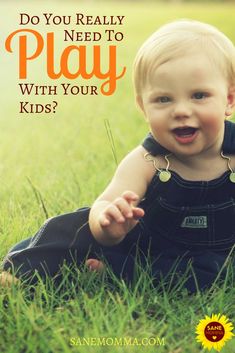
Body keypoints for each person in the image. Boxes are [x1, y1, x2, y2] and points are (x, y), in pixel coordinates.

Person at [1, 19, 235, 293]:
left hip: (211, 258)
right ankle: (20, 273)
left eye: (198, 95)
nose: (181, 110)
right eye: (163, 99)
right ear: (143, 106)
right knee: (74, 225)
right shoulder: (148, 160)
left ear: (229, 99)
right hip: (147, 245)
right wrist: (109, 224)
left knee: (211, 273)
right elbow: (107, 202)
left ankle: (113, 272)